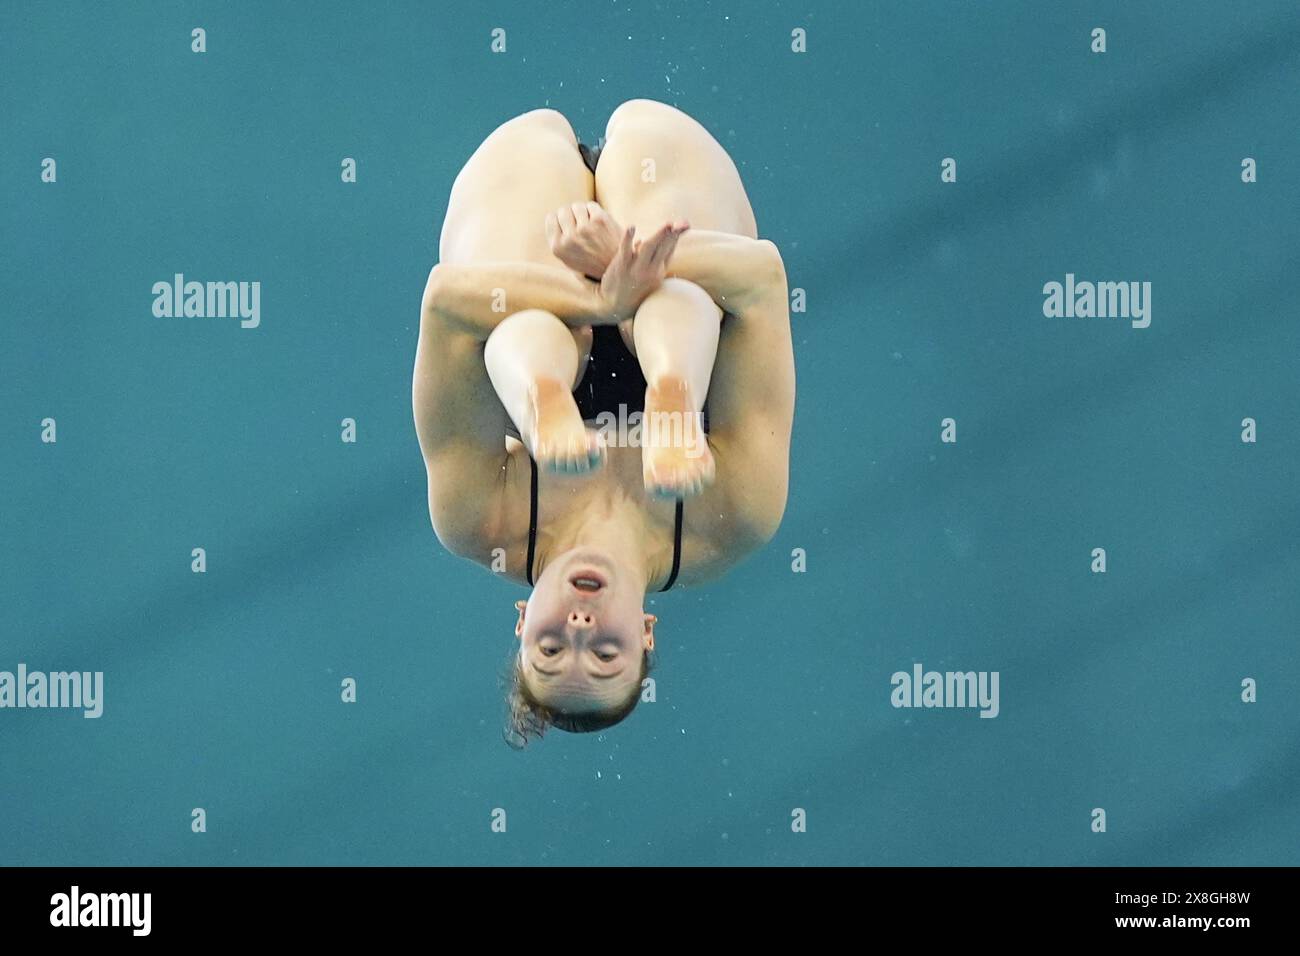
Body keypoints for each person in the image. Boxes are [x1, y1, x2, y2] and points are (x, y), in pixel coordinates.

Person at [413, 100, 794, 746]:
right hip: (674, 247)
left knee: (523, 330)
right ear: (647, 632)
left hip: (528, 246)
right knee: (679, 306)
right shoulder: (731, 518)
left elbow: (447, 300)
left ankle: (541, 396)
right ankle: (674, 382)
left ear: (521, 619)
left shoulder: (481, 521)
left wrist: (602, 298)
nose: (580, 629)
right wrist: (626, 260)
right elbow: (762, 278)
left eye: (550, 650)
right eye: (607, 655)